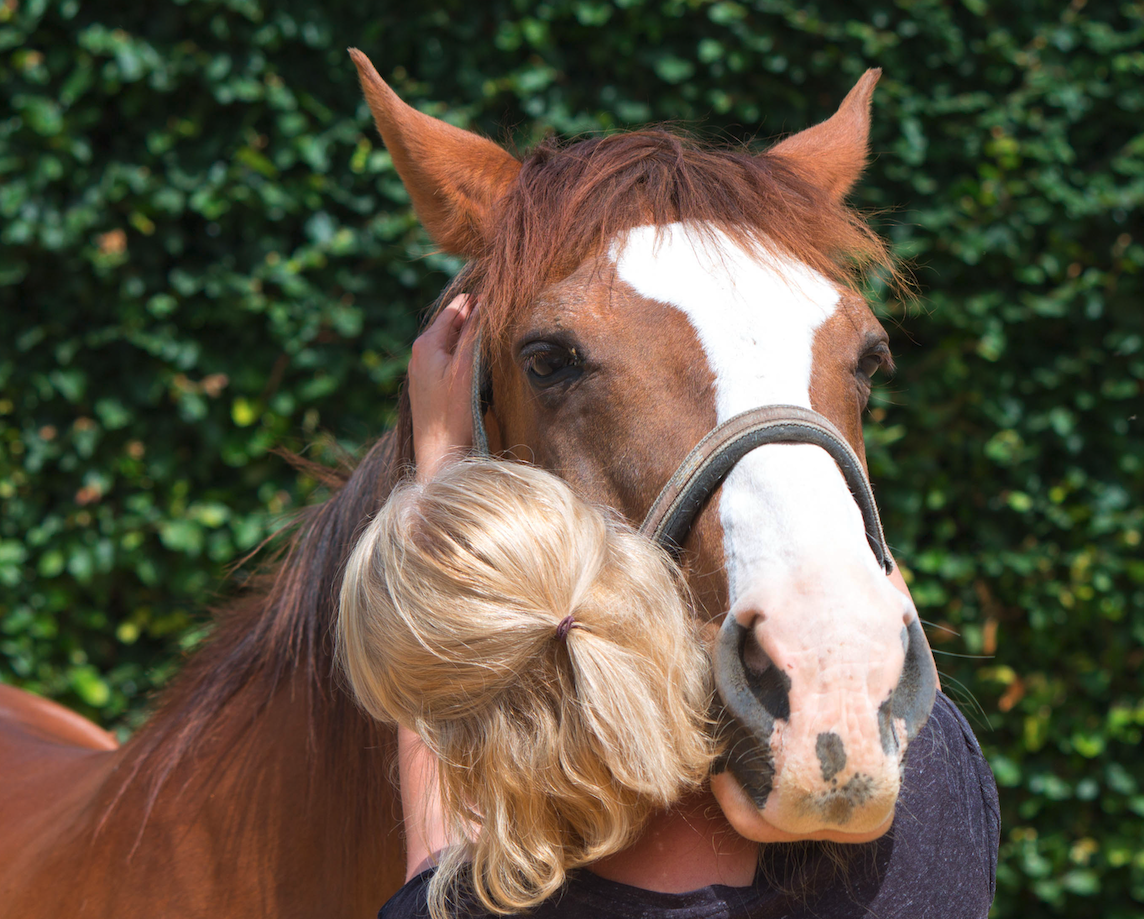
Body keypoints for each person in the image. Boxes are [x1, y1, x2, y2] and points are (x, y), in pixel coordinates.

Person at [342, 295, 1000, 919]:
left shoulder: (462, 903)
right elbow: (909, 673)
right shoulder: (936, 811)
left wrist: (441, 463)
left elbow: (438, 841)